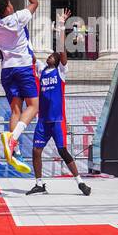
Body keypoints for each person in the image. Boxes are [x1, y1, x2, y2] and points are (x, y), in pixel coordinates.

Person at [27, 38, 90, 197]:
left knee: (62, 151)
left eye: (52, 56)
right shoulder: (42, 70)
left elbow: (62, 51)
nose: (49, 57)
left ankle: (80, 182)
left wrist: (61, 27)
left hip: (57, 120)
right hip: (43, 120)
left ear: (57, 60)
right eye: (49, 56)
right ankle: (39, 184)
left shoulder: (61, 72)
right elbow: (32, 57)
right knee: (36, 151)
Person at [0, 0, 40, 175]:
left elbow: (0, 1)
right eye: (10, 3)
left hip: (6, 70)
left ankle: (15, 151)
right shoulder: (18, 18)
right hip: (23, 67)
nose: (11, 4)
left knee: (16, 111)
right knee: (34, 106)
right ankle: (13, 138)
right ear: (9, 9)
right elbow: (35, 2)